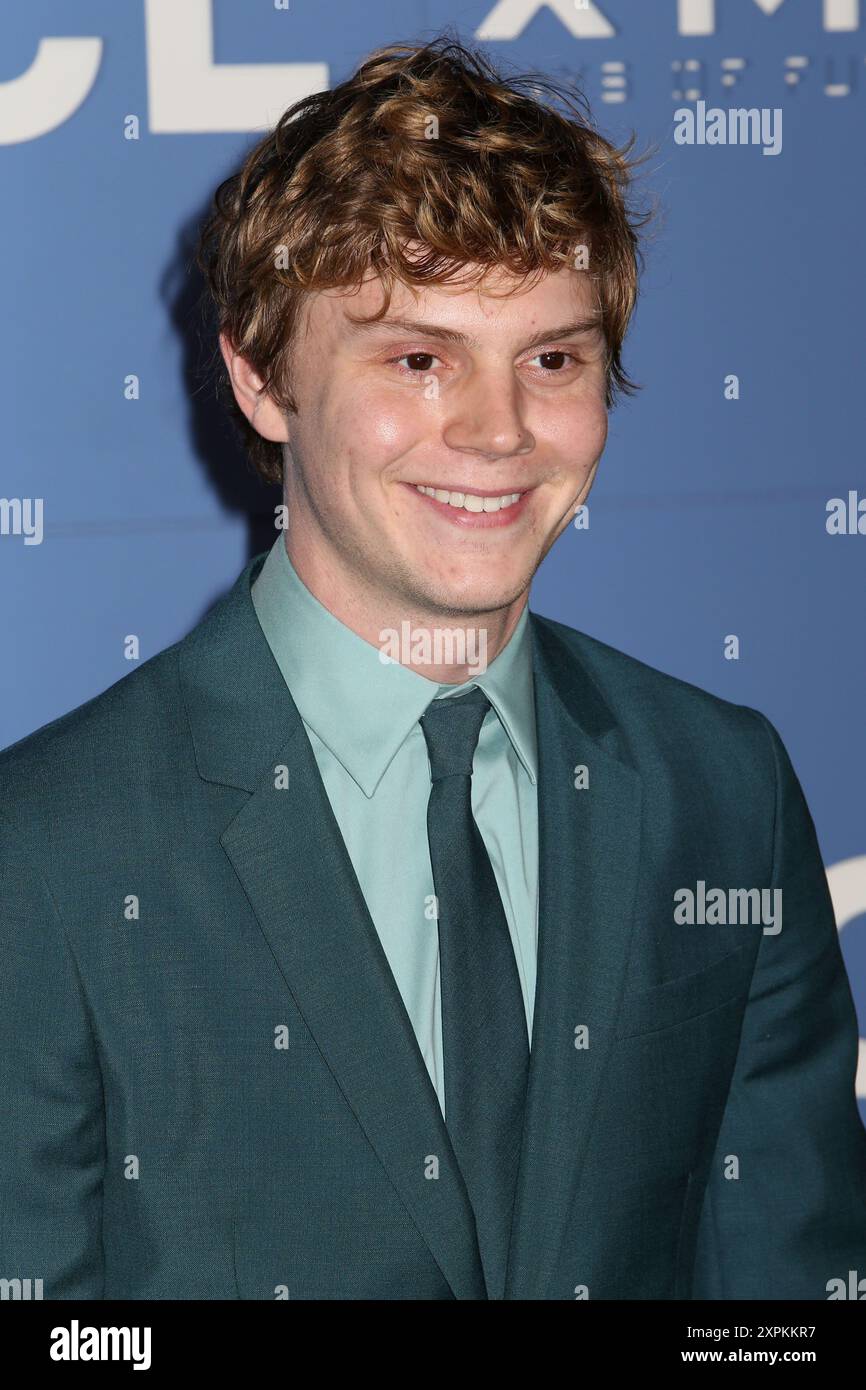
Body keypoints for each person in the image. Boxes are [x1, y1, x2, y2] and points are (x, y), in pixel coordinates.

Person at [1, 35, 864, 1302]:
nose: (498, 431)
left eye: (551, 359)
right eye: (418, 358)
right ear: (258, 375)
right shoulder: (50, 850)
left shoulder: (717, 789)